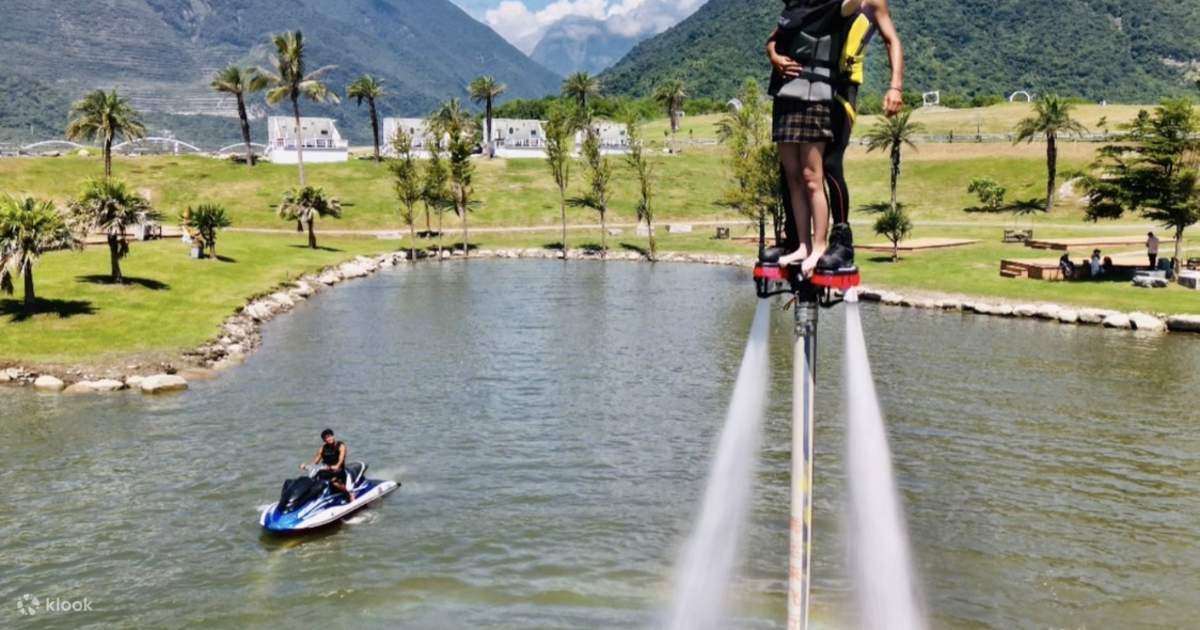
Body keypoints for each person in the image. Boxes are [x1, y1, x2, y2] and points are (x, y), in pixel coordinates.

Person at [767, 0, 904, 275]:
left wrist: (895, 86)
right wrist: (773, 55)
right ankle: (795, 239)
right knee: (790, 170)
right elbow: (781, 31)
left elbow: (892, 40)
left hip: (843, 85)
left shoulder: (872, 2)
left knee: (828, 165)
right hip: (808, 79)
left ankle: (841, 242)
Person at [305, 429, 354, 500]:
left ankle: (349, 495)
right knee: (312, 480)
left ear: (333, 436)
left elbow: (341, 458)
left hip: (338, 471)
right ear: (324, 440)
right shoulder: (322, 448)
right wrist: (307, 466)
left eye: (330, 436)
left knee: (335, 482)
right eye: (326, 438)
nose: (329, 439)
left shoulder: (340, 446)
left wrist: (337, 465)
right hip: (326, 470)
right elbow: (316, 462)